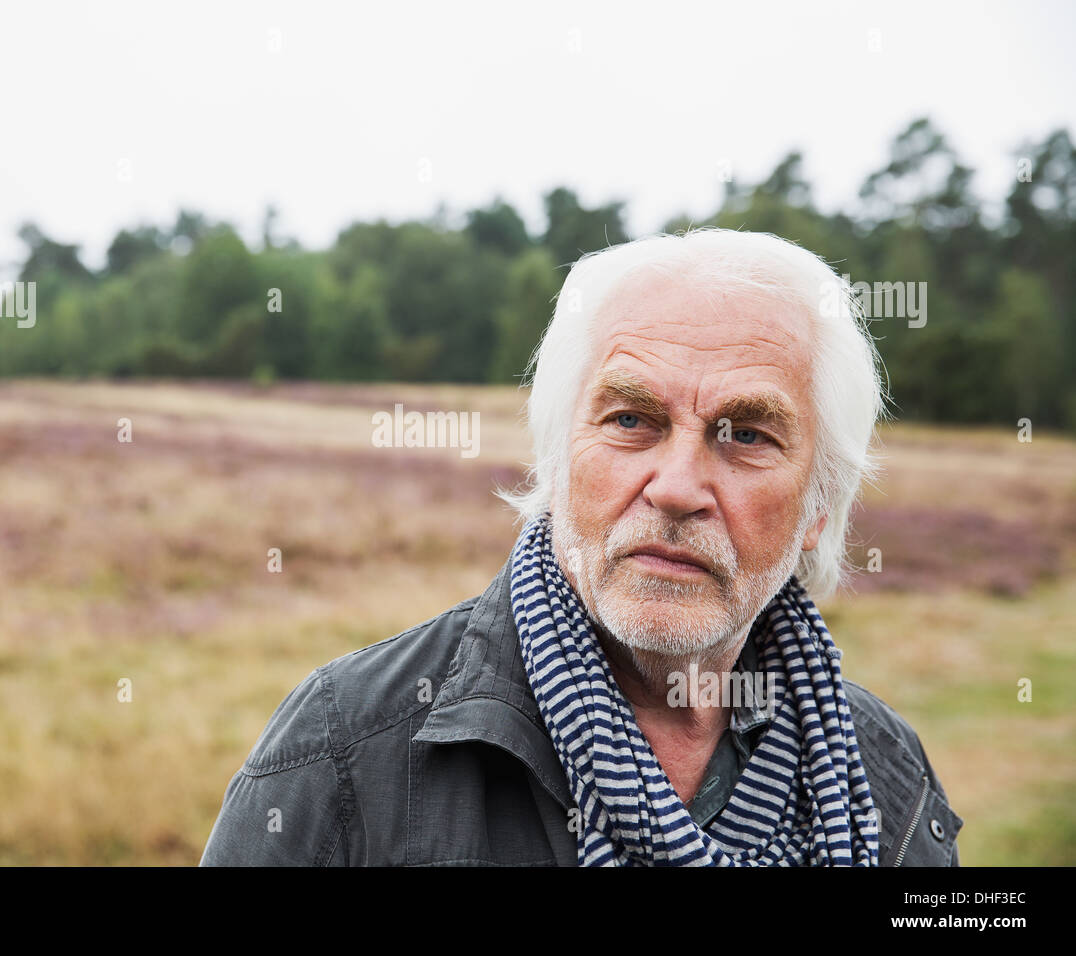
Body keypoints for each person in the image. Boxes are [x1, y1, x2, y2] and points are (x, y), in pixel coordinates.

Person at [199, 228, 963, 866]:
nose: (676, 486)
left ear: (819, 510)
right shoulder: (345, 751)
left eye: (747, 435)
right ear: (556, 459)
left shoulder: (882, 779)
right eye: (631, 421)